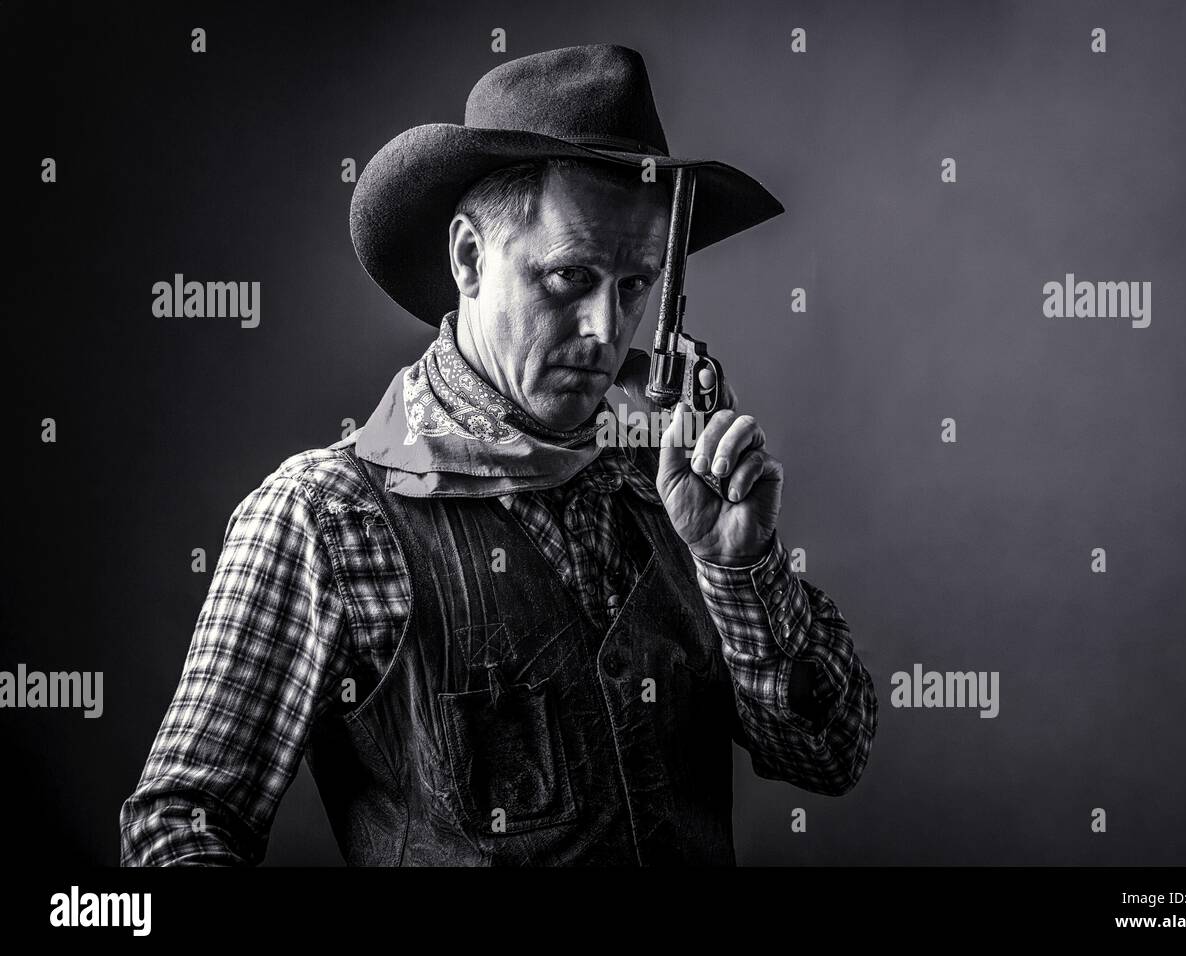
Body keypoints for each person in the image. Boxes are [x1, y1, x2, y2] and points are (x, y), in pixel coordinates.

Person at [120, 43, 877, 866]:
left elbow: (830, 757)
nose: (604, 330)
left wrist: (739, 570)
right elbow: (180, 827)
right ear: (470, 259)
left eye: (634, 286)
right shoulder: (322, 518)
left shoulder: (672, 484)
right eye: (569, 277)